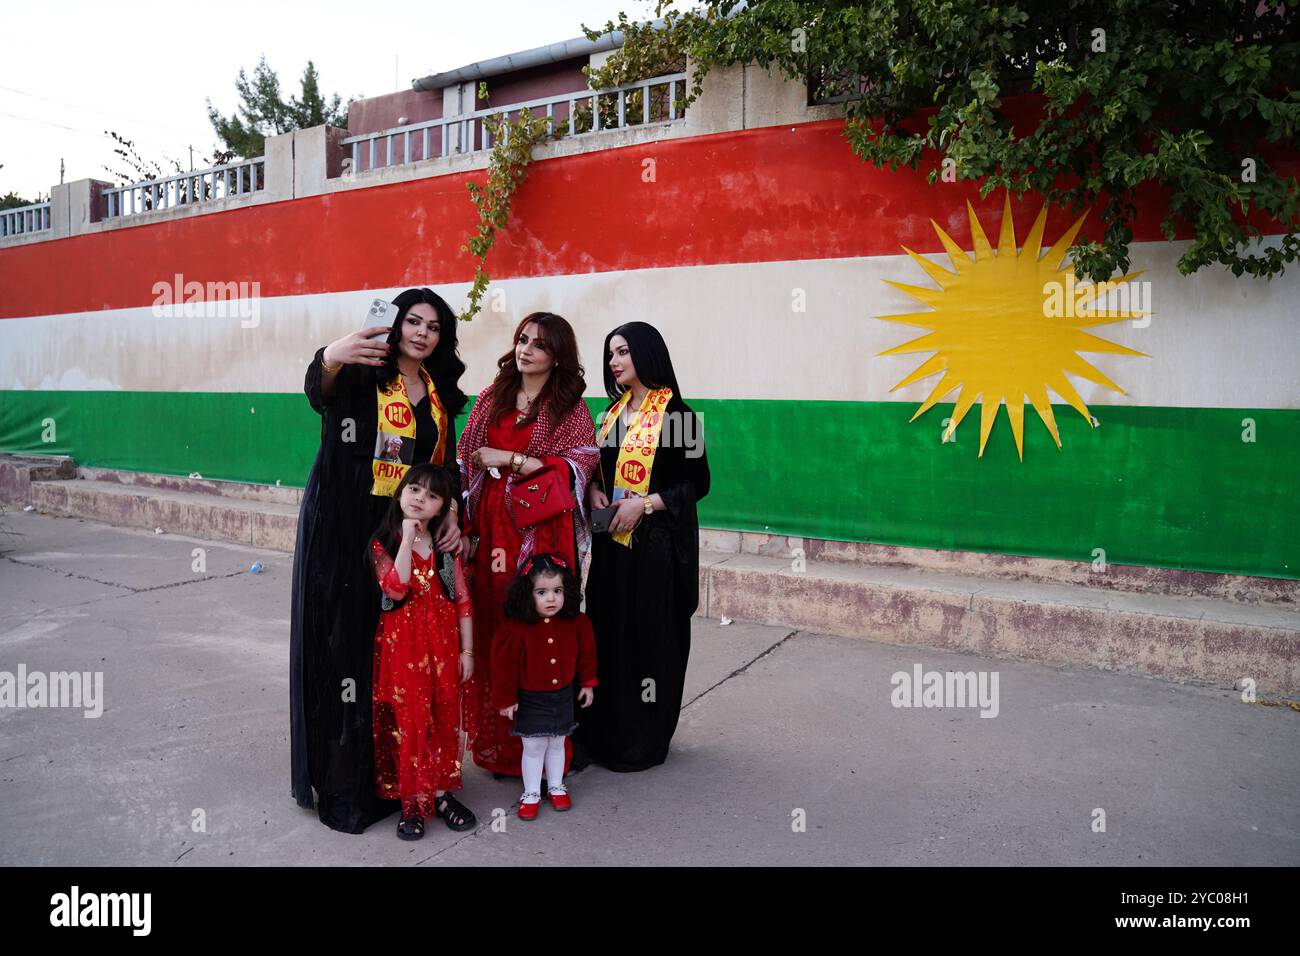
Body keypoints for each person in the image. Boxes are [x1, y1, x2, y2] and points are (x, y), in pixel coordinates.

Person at [290, 288, 468, 833]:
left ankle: (409, 776)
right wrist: (329, 357)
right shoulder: (365, 372)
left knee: (404, 661)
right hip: (348, 532)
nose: (422, 333)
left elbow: (446, 468)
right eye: (413, 321)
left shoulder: (438, 394)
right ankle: (353, 784)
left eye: (433, 326)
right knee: (351, 653)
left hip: (408, 538)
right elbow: (320, 396)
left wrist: (454, 512)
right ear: (395, 326)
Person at [458, 312, 599, 777]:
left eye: (539, 344)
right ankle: (501, 748)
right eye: (522, 340)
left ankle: (546, 748)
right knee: (499, 622)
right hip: (493, 525)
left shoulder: (569, 407)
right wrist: (465, 526)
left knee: (542, 625)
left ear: (557, 355)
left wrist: (512, 459)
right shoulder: (493, 396)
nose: (526, 350)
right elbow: (466, 459)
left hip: (541, 527)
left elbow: (579, 464)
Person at [575, 322, 711, 772]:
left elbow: (697, 484)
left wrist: (646, 506)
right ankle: (604, 732)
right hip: (613, 545)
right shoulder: (611, 415)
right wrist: (595, 491)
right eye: (611, 353)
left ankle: (643, 739)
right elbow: (602, 472)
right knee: (610, 630)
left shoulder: (679, 416)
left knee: (649, 637)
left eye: (624, 352)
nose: (614, 361)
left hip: (655, 549)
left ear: (648, 354)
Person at [369, 464, 477, 839]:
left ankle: (443, 795)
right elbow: (395, 589)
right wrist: (406, 541)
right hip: (404, 652)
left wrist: (468, 653)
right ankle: (412, 804)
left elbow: (463, 602)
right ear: (400, 492)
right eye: (414, 490)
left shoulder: (447, 549)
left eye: (432, 496)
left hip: (445, 650)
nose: (420, 499)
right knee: (410, 724)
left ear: (443, 507)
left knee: (444, 719)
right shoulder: (382, 543)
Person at [491, 554, 597, 820]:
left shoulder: (576, 623)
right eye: (542, 592)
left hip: (562, 697)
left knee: (558, 743)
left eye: (557, 591)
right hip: (531, 700)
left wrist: (587, 683)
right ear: (527, 594)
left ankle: (556, 785)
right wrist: (506, 699)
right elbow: (503, 667)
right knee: (534, 747)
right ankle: (531, 792)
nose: (551, 599)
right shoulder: (516, 630)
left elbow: (587, 654)